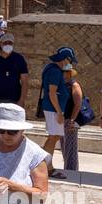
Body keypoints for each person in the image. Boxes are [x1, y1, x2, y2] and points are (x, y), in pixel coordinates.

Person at [37, 46, 75, 179]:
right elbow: (52, 92)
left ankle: (44, 164)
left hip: (53, 108)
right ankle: (46, 167)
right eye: (70, 61)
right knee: (53, 137)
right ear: (65, 59)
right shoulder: (55, 72)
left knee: (54, 137)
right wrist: (59, 112)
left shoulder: (53, 69)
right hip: (54, 109)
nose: (70, 64)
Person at [0, 33, 30, 133]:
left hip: (13, 99)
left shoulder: (19, 59)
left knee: (12, 128)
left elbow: (25, 81)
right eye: (6, 42)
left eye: (10, 43)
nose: (8, 45)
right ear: (0, 44)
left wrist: (22, 100)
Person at [60, 64, 84, 174]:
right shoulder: (64, 85)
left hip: (70, 120)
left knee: (70, 149)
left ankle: (71, 172)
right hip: (64, 119)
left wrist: (72, 120)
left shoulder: (74, 85)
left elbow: (78, 104)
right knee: (65, 147)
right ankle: (69, 169)